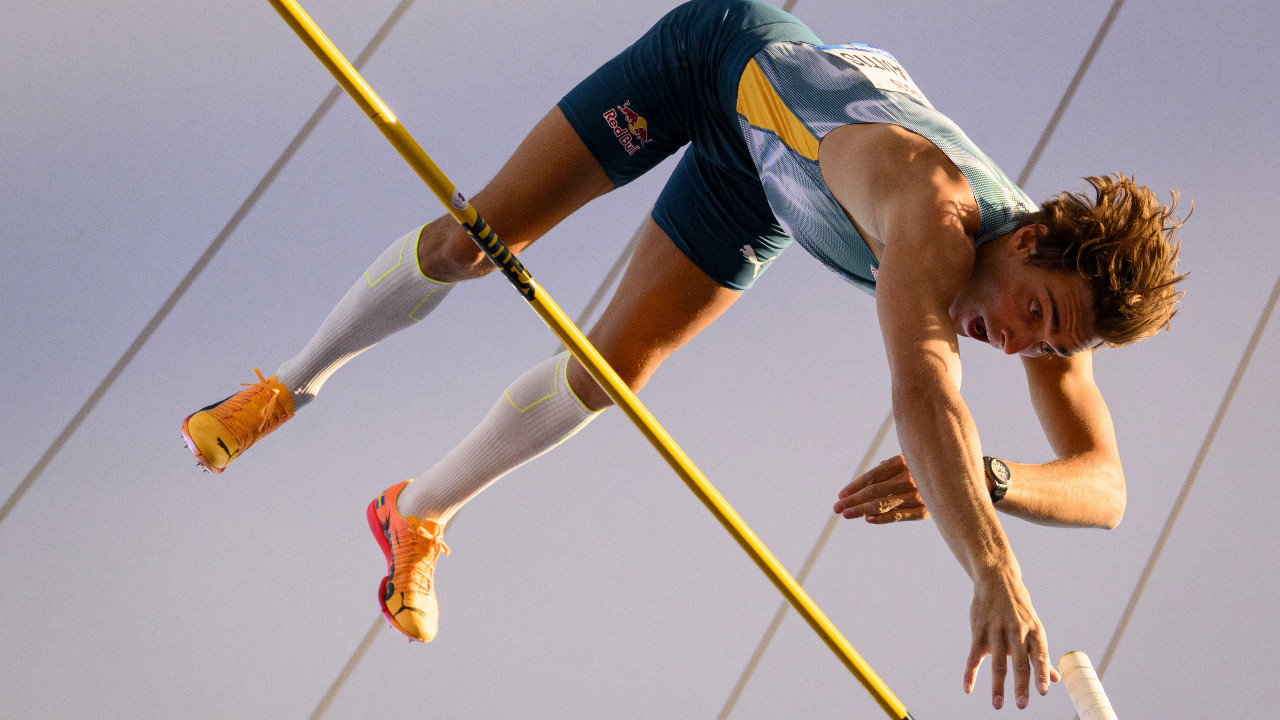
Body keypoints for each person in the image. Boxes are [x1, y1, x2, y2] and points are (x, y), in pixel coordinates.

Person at [181, 0, 1184, 710]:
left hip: (759, 187)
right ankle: (286, 388)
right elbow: (925, 392)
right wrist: (991, 572)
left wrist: (994, 479)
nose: (1014, 341)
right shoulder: (934, 211)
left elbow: (1104, 489)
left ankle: (413, 513)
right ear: (1030, 237)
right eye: (1030, 312)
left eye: (1043, 342)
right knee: (474, 243)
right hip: (714, 64)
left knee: (606, 374)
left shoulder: (1049, 310)